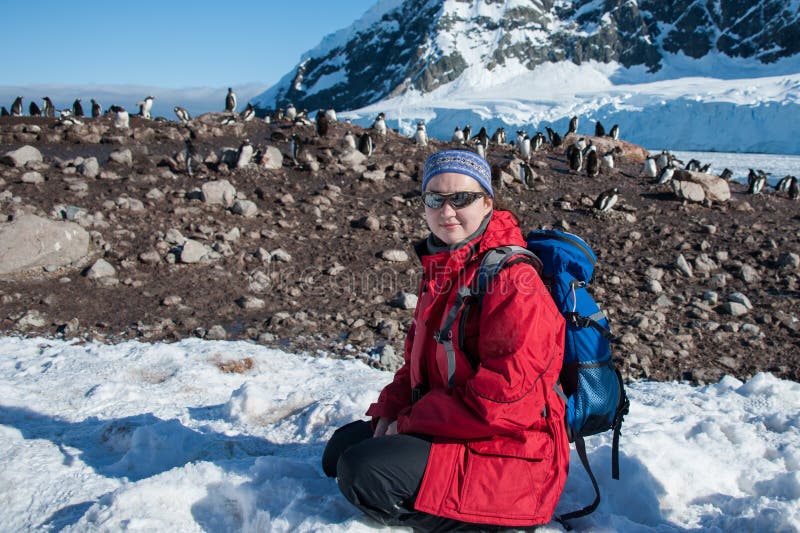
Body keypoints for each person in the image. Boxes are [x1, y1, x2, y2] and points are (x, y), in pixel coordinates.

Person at [322, 149, 569, 531]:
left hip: (512, 453)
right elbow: (415, 367)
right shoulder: (447, 268)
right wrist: (390, 411)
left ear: (487, 201)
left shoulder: (513, 281)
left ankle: (498, 524)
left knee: (361, 471)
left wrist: (407, 423)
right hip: (459, 426)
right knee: (340, 449)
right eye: (435, 199)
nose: (447, 211)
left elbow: (505, 400)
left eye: (461, 198)